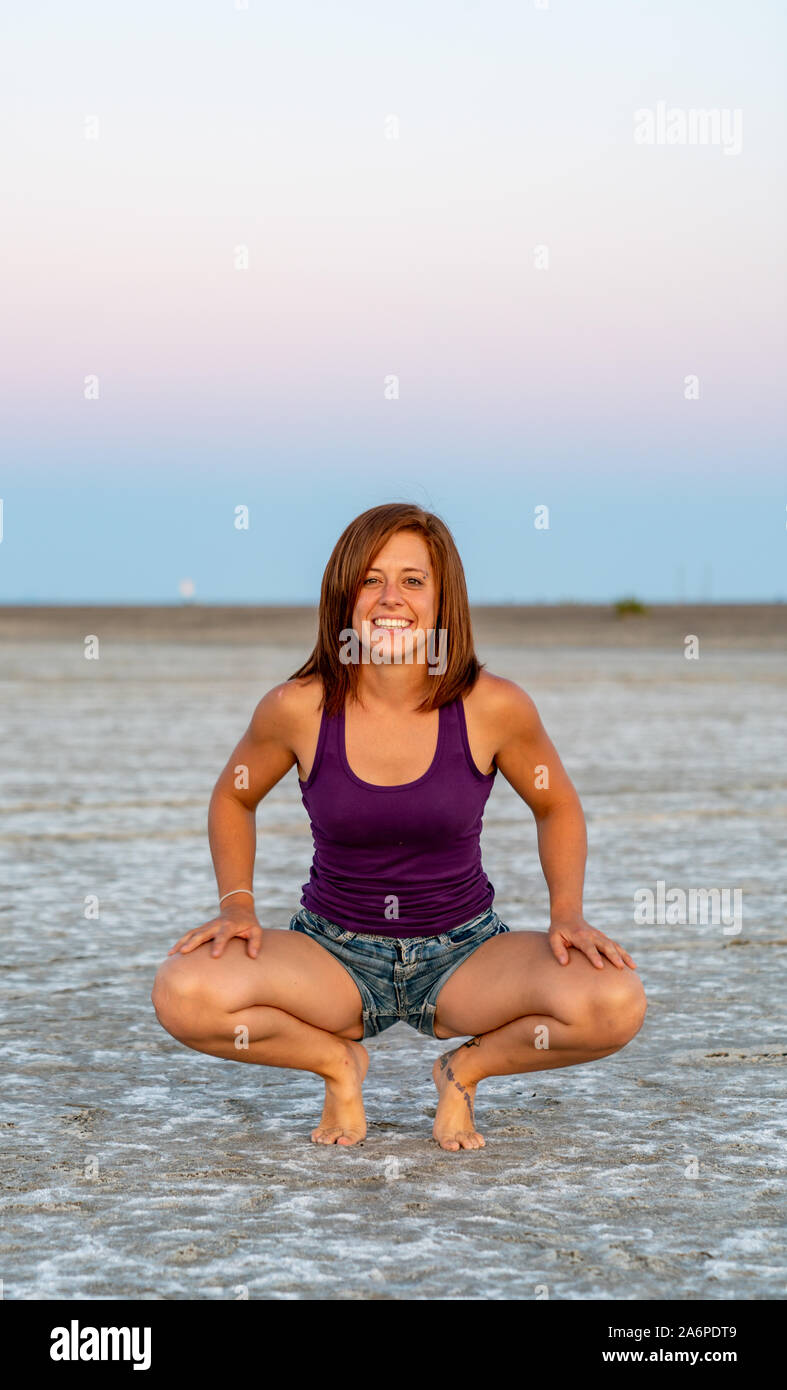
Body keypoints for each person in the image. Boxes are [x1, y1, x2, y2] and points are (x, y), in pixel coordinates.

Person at [151, 502, 646, 1152]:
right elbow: (233, 797)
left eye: (413, 580)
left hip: (464, 956)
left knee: (613, 1004)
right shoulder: (296, 707)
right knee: (183, 992)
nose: (391, 598)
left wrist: (568, 915)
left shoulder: (492, 705)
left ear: (442, 600)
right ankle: (338, 1065)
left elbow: (556, 804)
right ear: (344, 592)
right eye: (371, 578)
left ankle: (462, 1072)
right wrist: (236, 904)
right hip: (331, 957)